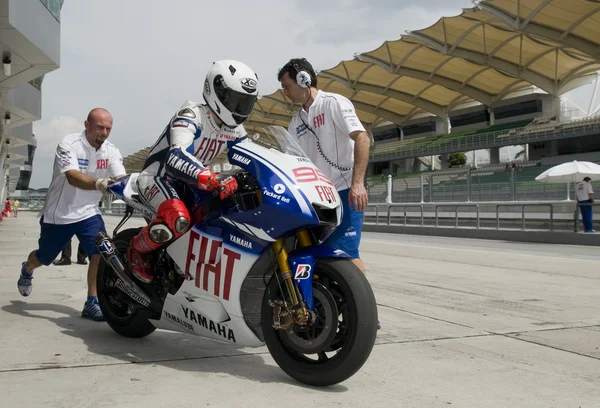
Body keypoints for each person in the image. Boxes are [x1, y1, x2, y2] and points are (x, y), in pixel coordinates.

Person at [127, 60, 259, 284]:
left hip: (193, 182)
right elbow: (176, 156)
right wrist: (209, 176)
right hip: (158, 177)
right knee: (178, 219)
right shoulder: (191, 114)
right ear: (217, 92)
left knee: (223, 212)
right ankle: (137, 250)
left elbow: (251, 157)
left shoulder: (236, 129)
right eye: (236, 101)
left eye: (245, 103)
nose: (239, 110)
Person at [17, 108, 126, 321]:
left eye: (108, 128)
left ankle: (92, 302)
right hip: (60, 215)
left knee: (100, 252)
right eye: (99, 127)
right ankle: (27, 268)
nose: (103, 132)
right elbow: (73, 177)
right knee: (44, 258)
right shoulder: (69, 144)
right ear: (86, 125)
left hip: (89, 213)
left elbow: (121, 178)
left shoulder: (111, 151)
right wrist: (99, 183)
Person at [277, 58, 371, 273]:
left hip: (345, 191)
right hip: (317, 198)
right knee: (320, 254)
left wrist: (357, 184)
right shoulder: (296, 121)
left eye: (287, 86)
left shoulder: (333, 103)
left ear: (303, 79)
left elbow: (363, 138)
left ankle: (361, 305)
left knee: (346, 255)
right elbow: (289, 159)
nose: (285, 92)